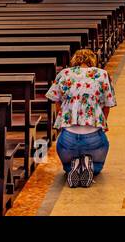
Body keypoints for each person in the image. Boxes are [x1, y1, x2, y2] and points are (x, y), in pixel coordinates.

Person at [44, 48, 117, 189]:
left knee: (66, 167)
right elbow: (107, 105)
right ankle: (89, 166)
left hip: (68, 139)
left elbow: (56, 100)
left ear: (74, 60)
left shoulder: (64, 74)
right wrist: (100, 125)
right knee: (98, 167)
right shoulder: (102, 74)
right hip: (93, 137)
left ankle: (74, 166)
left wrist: (65, 119)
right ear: (92, 61)